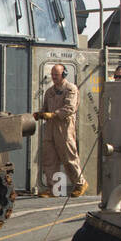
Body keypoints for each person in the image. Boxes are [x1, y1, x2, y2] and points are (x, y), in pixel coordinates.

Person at [34, 63, 87, 197]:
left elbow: (70, 108)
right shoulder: (49, 92)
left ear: (64, 74)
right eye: (52, 74)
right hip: (50, 128)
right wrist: (40, 114)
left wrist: (53, 114)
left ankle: (80, 183)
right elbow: (45, 108)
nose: (54, 77)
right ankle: (54, 189)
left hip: (64, 128)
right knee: (50, 159)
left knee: (69, 157)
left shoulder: (70, 89)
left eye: (56, 74)